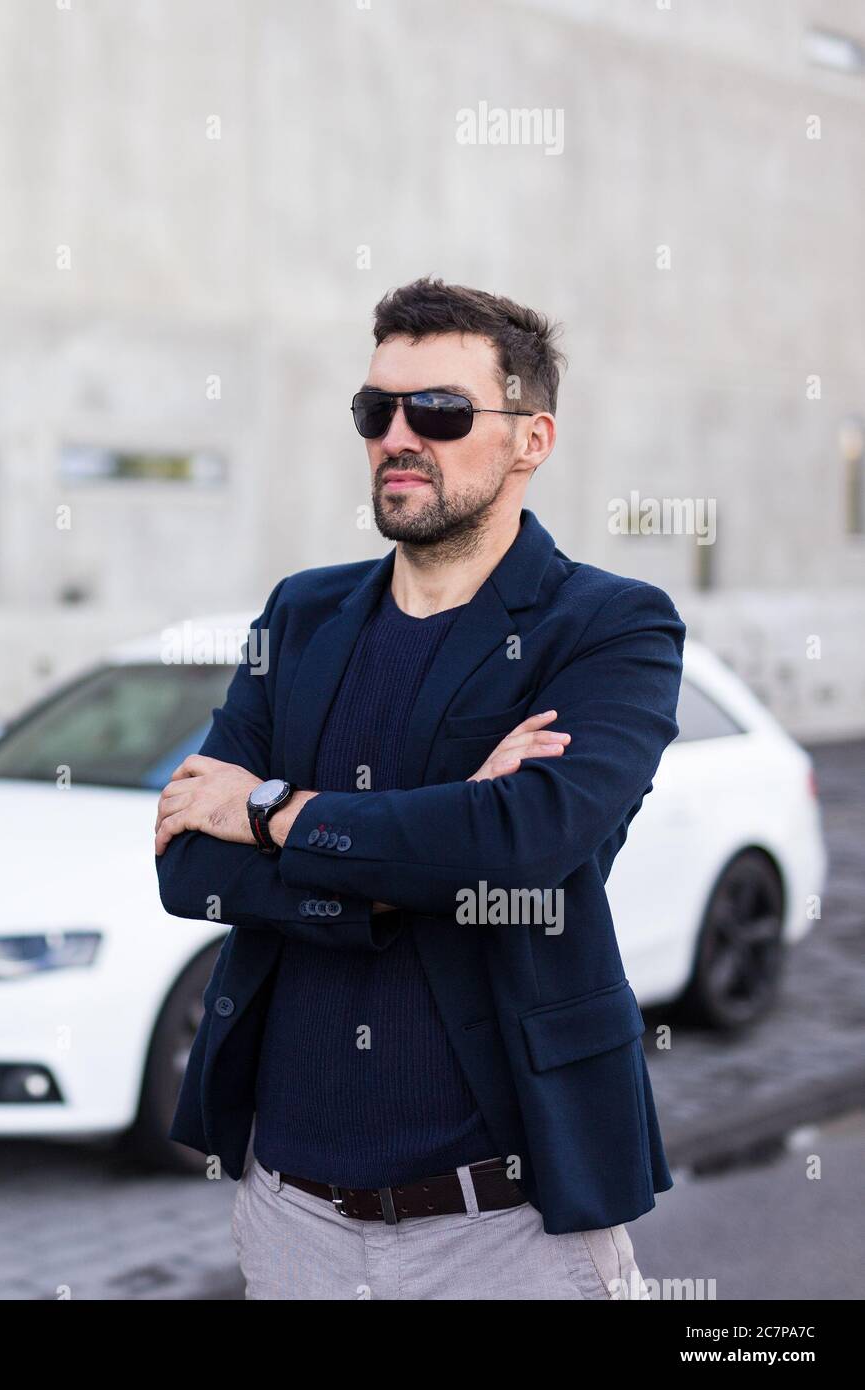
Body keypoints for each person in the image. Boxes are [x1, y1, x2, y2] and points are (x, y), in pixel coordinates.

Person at [153, 277, 683, 1300]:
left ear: (530, 439)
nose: (398, 435)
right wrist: (425, 851)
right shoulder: (301, 616)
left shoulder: (608, 626)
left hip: (506, 1224)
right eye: (374, 410)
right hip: (290, 1212)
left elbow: (523, 840)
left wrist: (269, 812)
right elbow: (188, 864)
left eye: (437, 411)